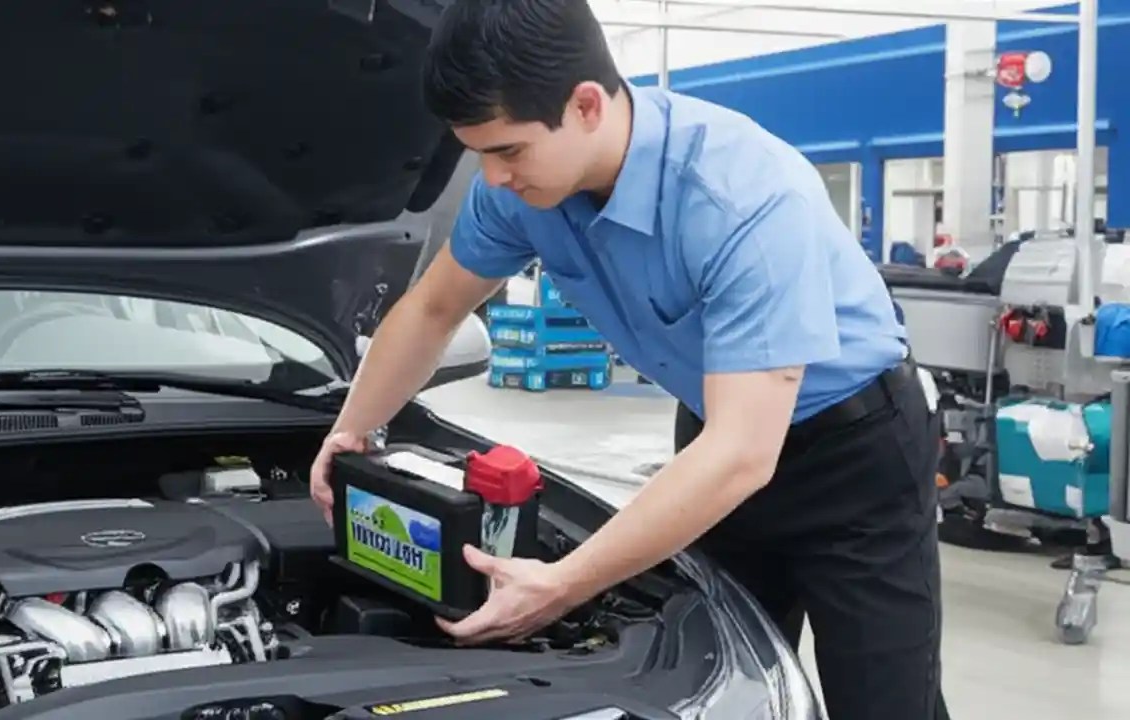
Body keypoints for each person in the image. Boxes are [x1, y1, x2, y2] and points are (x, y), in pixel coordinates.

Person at [309, 1, 949, 718]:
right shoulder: (522, 193)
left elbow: (745, 453)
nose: (491, 179)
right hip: (713, 435)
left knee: (884, 702)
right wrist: (349, 431)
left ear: (586, 104)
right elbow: (433, 310)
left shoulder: (741, 199)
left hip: (853, 456)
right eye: (477, 153)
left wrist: (561, 584)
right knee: (718, 688)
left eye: (509, 150)